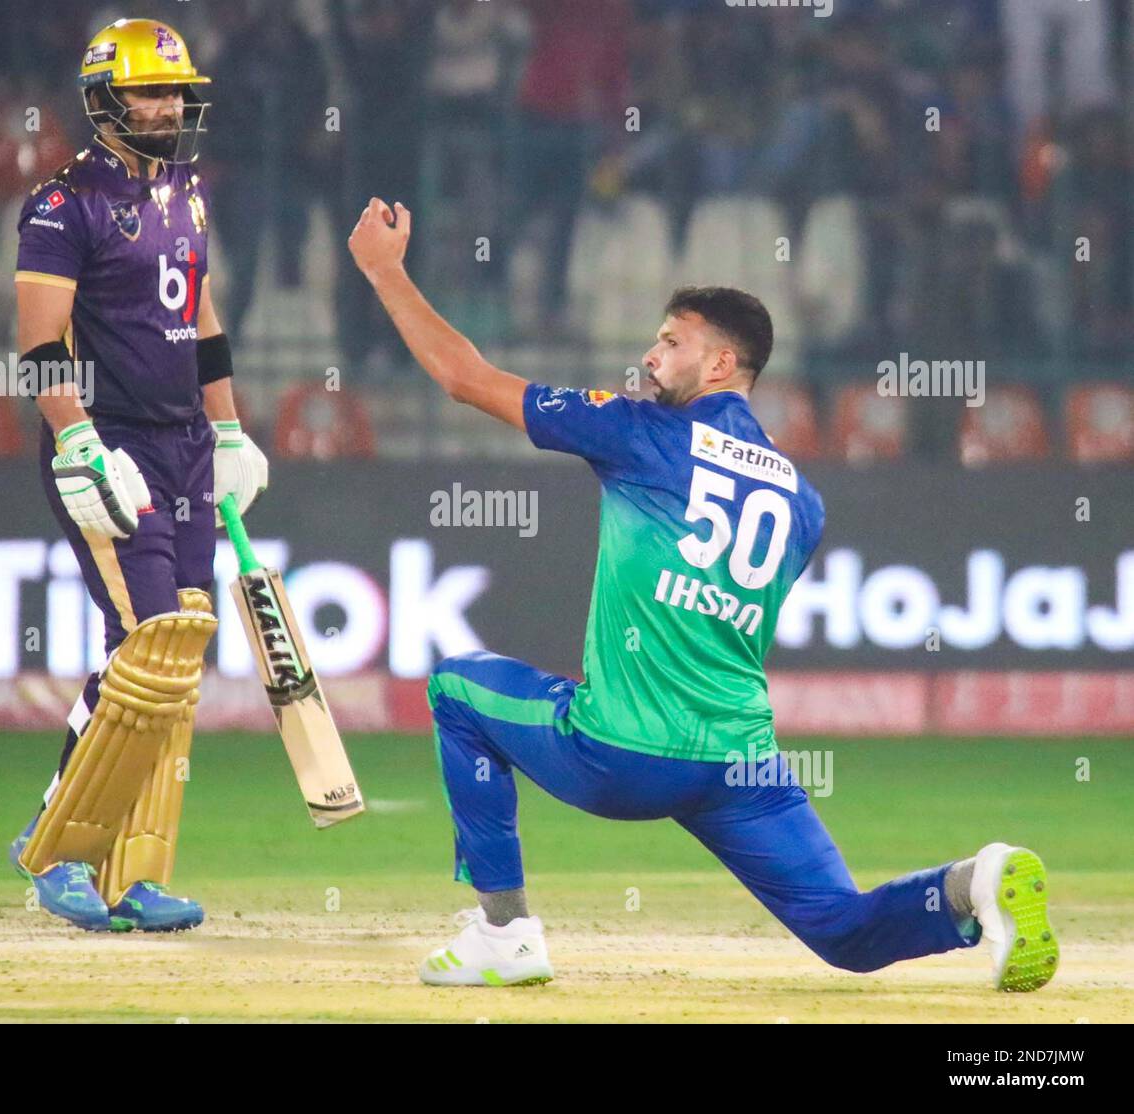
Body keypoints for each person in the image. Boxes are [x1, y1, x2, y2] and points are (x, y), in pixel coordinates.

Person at [346, 197, 1058, 992]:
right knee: (843, 932)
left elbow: (465, 378)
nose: (651, 357)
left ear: (719, 366)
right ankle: (974, 883)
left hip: (622, 755)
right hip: (739, 766)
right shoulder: (801, 499)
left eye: (670, 342)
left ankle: (504, 934)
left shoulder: (638, 434)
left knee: (454, 684)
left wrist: (383, 269)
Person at [8, 18, 268, 932]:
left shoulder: (186, 190)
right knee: (146, 642)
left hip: (186, 443)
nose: (167, 107)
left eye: (174, 92)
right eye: (149, 93)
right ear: (105, 102)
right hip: (110, 440)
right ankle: (55, 846)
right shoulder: (61, 203)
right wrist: (77, 445)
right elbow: (39, 344)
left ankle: (136, 870)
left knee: (180, 650)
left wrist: (230, 433)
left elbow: (199, 316)